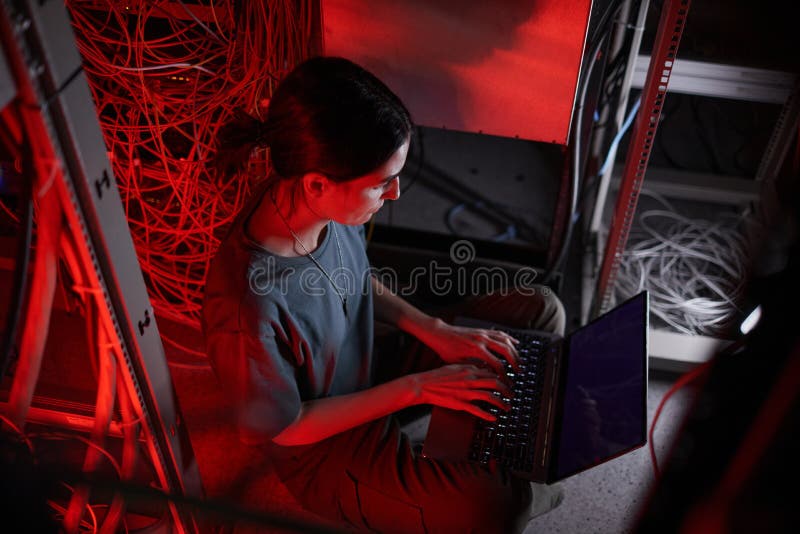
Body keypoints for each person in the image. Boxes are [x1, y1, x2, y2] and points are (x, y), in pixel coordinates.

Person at [203, 56, 565, 533]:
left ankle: (500, 438)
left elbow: (353, 278)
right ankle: (493, 460)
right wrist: (417, 388)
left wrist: (435, 331)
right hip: (325, 443)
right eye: (381, 184)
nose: (394, 194)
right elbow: (286, 427)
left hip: (371, 362)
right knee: (495, 509)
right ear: (318, 184)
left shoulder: (311, 201)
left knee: (539, 309)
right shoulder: (246, 305)